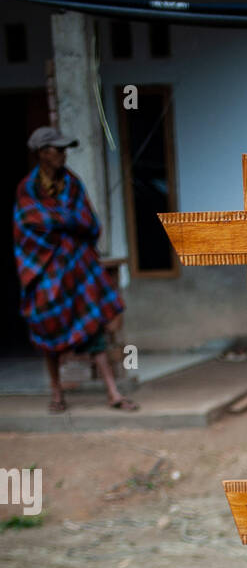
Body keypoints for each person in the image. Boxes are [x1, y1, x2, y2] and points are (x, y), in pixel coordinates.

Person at [13, 126, 138, 415]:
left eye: (64, 149)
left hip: (78, 270)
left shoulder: (73, 184)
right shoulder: (27, 189)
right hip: (47, 272)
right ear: (43, 153)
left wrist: (62, 221)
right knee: (47, 328)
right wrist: (63, 221)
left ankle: (113, 392)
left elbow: (89, 223)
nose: (63, 155)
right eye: (58, 150)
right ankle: (57, 393)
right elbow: (28, 229)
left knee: (94, 327)